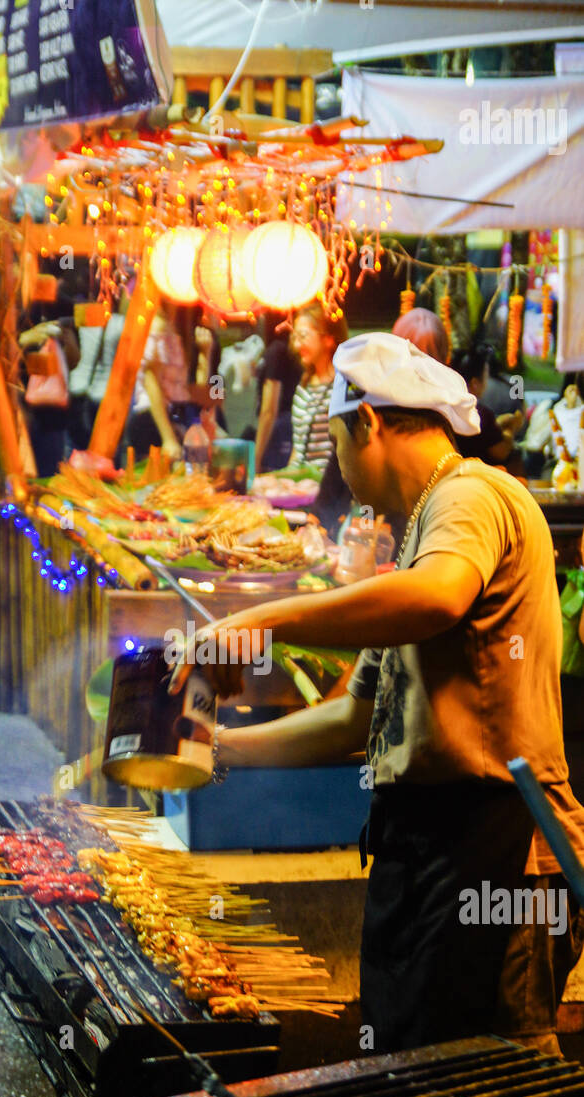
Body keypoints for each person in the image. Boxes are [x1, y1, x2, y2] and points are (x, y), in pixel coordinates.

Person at [173, 332, 584, 1058]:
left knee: (489, 1090)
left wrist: (258, 621)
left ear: (367, 423)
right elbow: (357, 716)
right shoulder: (416, 538)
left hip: (498, 845)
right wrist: (220, 749)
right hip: (427, 848)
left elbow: (437, 597)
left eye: (333, 443)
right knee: (414, 1078)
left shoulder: (474, 494)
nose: (335, 465)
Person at [287, 305, 351, 537]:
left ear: (329, 339)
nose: (296, 345)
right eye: (294, 336)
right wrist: (284, 482)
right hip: (296, 494)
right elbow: (297, 446)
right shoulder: (304, 384)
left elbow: (343, 452)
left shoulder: (343, 386)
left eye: (303, 336)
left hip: (323, 496)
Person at [19, 283, 80, 477]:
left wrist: (67, 341)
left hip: (53, 415)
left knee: (48, 478)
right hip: (19, 411)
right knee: (19, 479)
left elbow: (73, 361)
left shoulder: (62, 306)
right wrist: (25, 339)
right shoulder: (13, 305)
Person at [126, 301, 195, 463]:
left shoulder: (180, 326)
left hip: (178, 416)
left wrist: (208, 354)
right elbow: (151, 380)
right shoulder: (157, 325)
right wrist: (168, 437)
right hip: (156, 419)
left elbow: (213, 381)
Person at [451, 344, 523, 473]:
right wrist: (511, 430)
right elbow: (500, 452)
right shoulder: (479, 414)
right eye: (485, 376)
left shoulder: (446, 406)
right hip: (476, 478)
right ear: (475, 383)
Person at [67, 304, 125, 452]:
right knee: (104, 452)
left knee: (76, 450)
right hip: (105, 394)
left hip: (77, 388)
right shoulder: (122, 323)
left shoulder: (84, 316)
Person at [253, 314, 301, 472]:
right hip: (290, 429)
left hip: (276, 435)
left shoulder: (275, 352)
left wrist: (256, 457)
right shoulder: (290, 351)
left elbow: (269, 410)